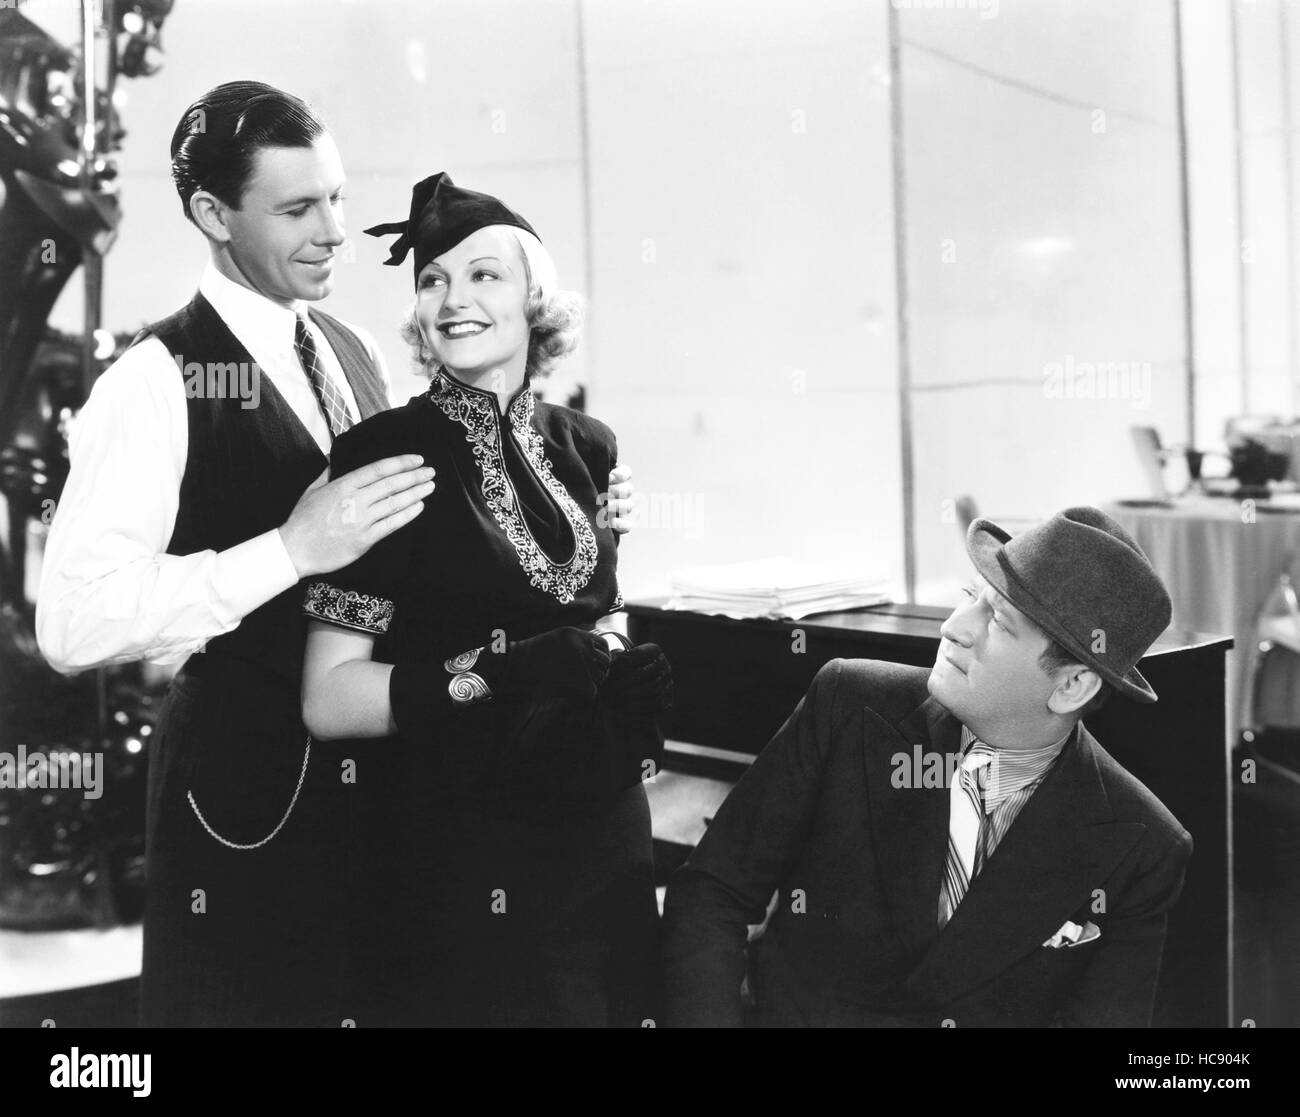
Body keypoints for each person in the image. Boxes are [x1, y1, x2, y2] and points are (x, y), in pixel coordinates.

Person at [34, 82, 637, 1026]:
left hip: (384, 785)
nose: (333, 231)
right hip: (242, 788)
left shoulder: (354, 348)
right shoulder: (150, 383)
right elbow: (72, 620)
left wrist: (579, 503)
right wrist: (285, 549)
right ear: (211, 214)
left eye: (339, 199)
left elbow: (429, 528)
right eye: (296, 208)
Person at [299, 172, 669, 1027]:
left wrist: (615, 655)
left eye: (482, 274)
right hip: (457, 843)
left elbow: (586, 609)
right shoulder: (380, 454)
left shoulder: (590, 447)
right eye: (433, 278)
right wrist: (496, 671)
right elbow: (328, 698)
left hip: (601, 830)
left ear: (534, 297)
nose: (453, 298)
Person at [662, 506, 1193, 1028]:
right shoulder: (848, 704)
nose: (954, 628)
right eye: (970, 598)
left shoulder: (1144, 844)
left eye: (1000, 624)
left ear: (1072, 685)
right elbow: (713, 893)